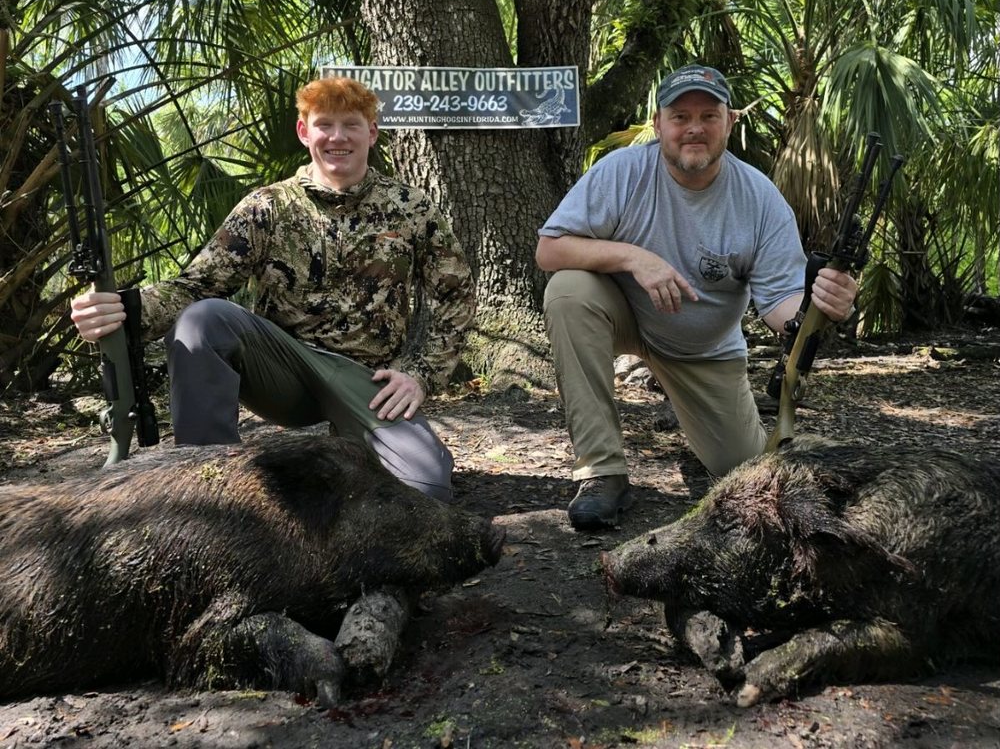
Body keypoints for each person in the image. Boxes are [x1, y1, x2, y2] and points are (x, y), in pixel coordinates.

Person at [70, 76, 475, 502]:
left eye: (351, 125)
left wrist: (420, 374)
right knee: (202, 320)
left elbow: (455, 295)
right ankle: (207, 487)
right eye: (325, 125)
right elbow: (196, 285)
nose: (338, 137)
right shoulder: (268, 207)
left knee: (424, 491)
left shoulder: (410, 208)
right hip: (283, 370)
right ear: (305, 132)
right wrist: (123, 311)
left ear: (372, 132)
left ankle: (346, 462)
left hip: (366, 380)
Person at [536, 64, 857, 529]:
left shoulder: (760, 199)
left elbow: (782, 307)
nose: (694, 128)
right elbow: (550, 249)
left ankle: (703, 432)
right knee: (568, 289)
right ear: (658, 123)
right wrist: (632, 257)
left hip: (704, 351)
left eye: (709, 115)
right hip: (627, 315)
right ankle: (602, 471)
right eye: (680, 115)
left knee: (745, 474)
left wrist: (823, 307)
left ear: (730, 122)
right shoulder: (622, 172)